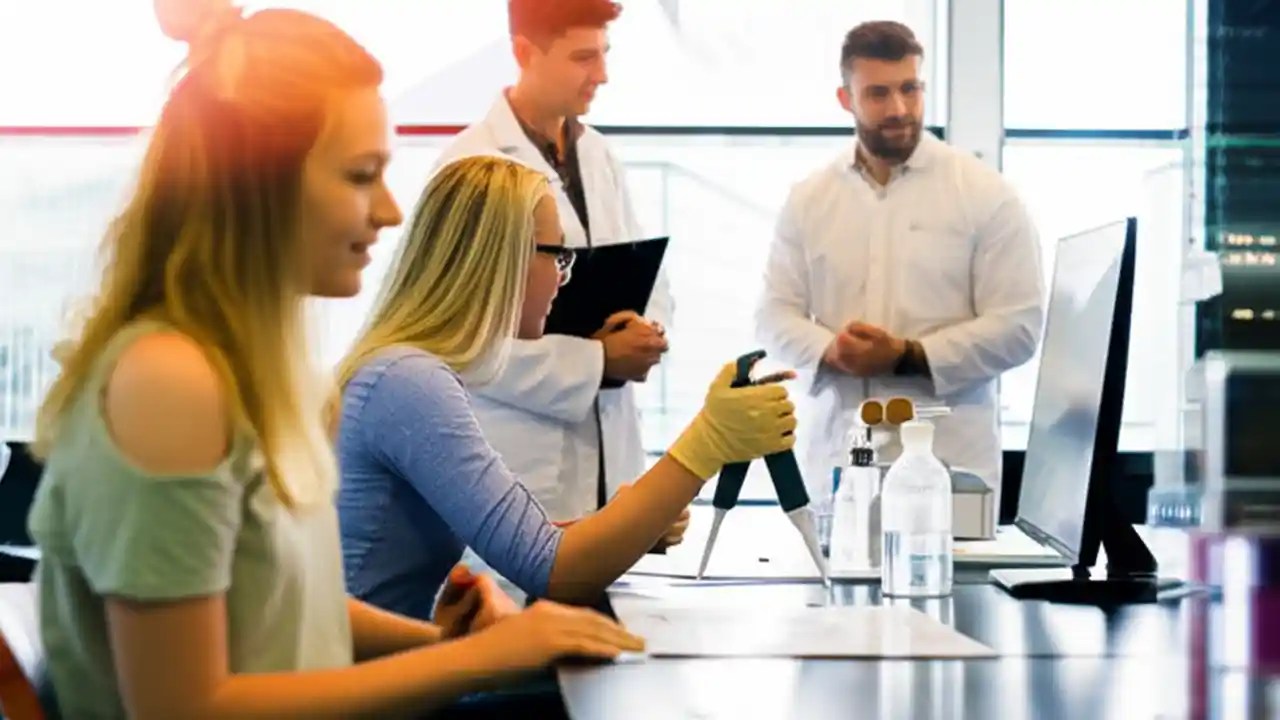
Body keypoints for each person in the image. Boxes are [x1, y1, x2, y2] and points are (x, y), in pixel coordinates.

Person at [24, 3, 650, 718]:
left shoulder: (247, 369)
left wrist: (440, 642)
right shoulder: (168, 382)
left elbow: (287, 597)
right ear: (257, 185)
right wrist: (473, 659)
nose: (388, 212)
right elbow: (181, 707)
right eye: (360, 176)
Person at [335, 154, 797, 621]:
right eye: (557, 255)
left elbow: (523, 536)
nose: (563, 275)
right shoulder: (409, 383)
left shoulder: (406, 372)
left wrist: (633, 523)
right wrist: (706, 444)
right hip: (374, 686)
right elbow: (553, 569)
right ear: (502, 257)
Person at [755, 20, 1045, 513]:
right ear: (846, 100)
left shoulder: (985, 194)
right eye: (878, 94)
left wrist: (907, 356)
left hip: (953, 472)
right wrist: (832, 350)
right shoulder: (809, 200)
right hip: (836, 474)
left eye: (910, 89)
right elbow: (773, 318)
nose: (899, 109)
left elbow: (1020, 327)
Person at [432, 0, 673, 524]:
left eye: (605, 55)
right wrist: (597, 361)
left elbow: (647, 276)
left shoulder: (601, 157)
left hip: (611, 456)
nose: (602, 75)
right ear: (523, 52)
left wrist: (646, 333)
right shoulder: (471, 164)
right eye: (583, 58)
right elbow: (458, 341)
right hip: (520, 461)